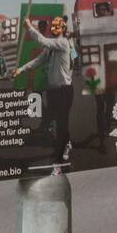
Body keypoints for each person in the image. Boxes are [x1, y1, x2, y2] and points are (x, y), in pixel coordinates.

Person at [14, 15, 76, 165]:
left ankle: (63, 149)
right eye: (53, 27)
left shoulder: (63, 43)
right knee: (55, 121)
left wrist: (29, 27)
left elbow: (42, 40)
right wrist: (21, 69)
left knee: (62, 122)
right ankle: (64, 143)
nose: (54, 29)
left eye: (57, 27)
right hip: (53, 91)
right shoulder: (51, 47)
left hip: (64, 90)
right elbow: (38, 60)